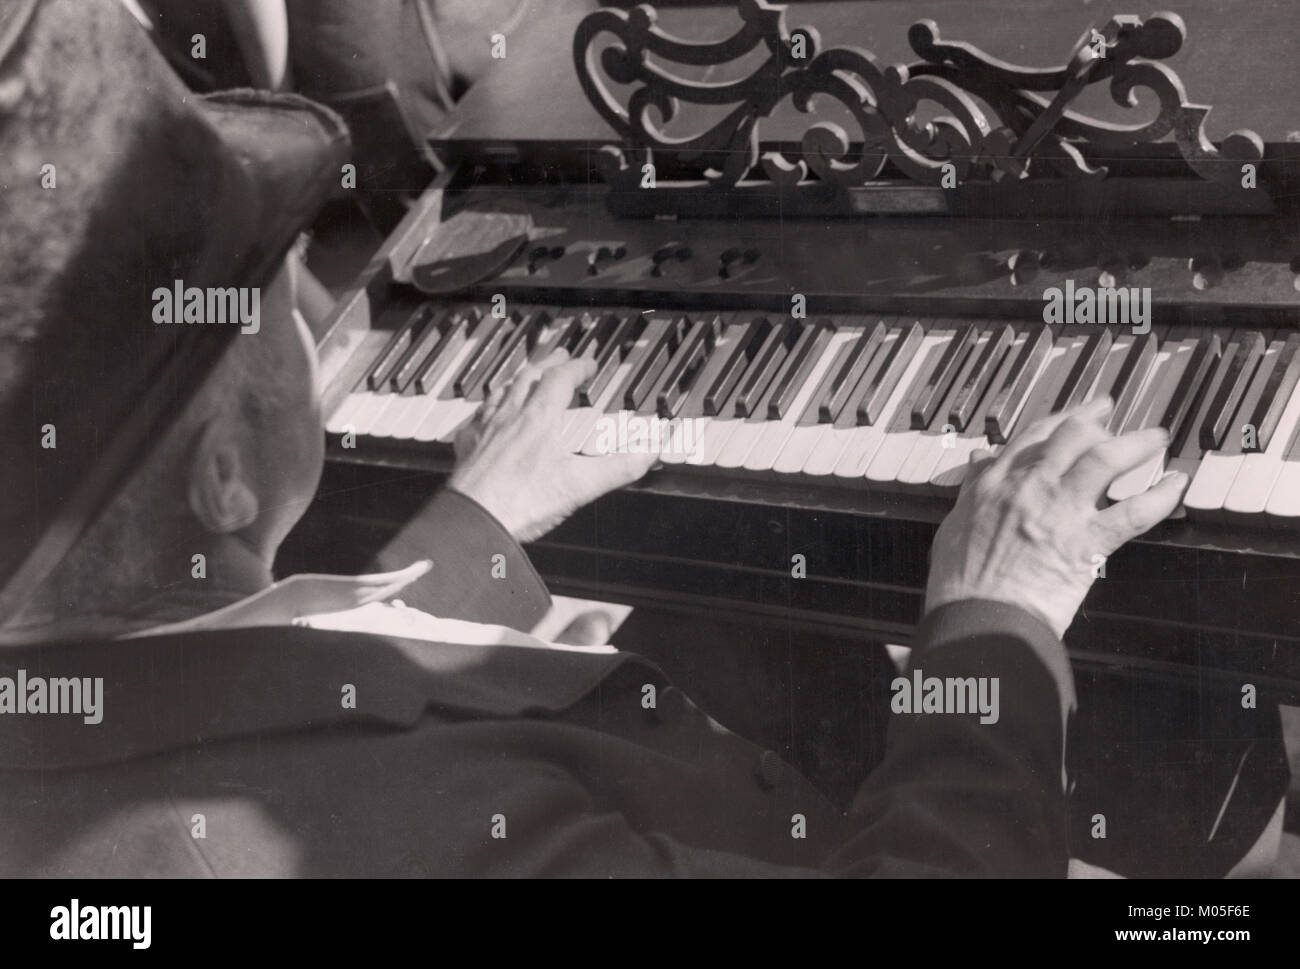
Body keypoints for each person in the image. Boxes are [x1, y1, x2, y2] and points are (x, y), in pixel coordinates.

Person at [0, 0, 1286, 877]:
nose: (305, 311)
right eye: (273, 286)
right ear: (226, 476)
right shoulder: (423, 835)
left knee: (749, 613)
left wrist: (471, 534)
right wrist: (999, 609)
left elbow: (267, 696)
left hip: (674, 775)